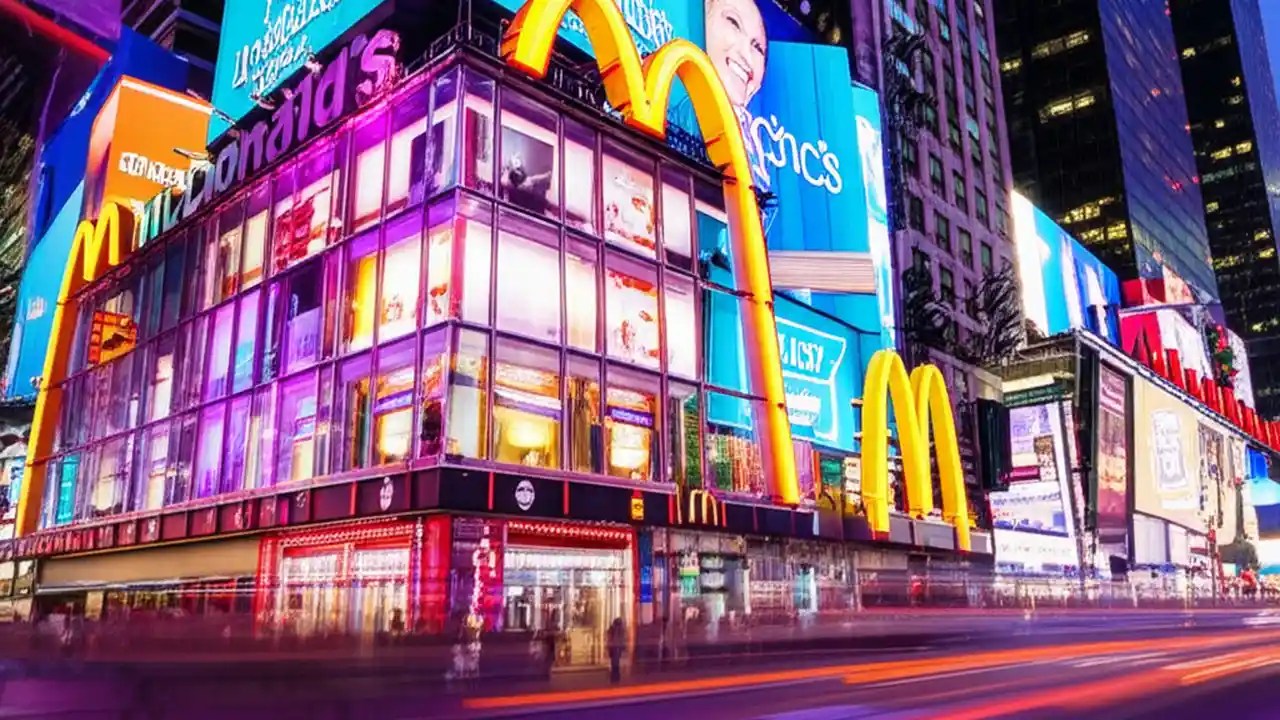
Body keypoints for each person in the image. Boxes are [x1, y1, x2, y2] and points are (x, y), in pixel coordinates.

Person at [606, 617, 626, 684]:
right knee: (615, 662)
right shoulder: (619, 630)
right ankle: (616, 677)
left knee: (614, 662)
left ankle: (614, 677)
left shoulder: (613, 629)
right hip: (616, 647)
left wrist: (608, 646)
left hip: (614, 647)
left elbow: (609, 638)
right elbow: (621, 639)